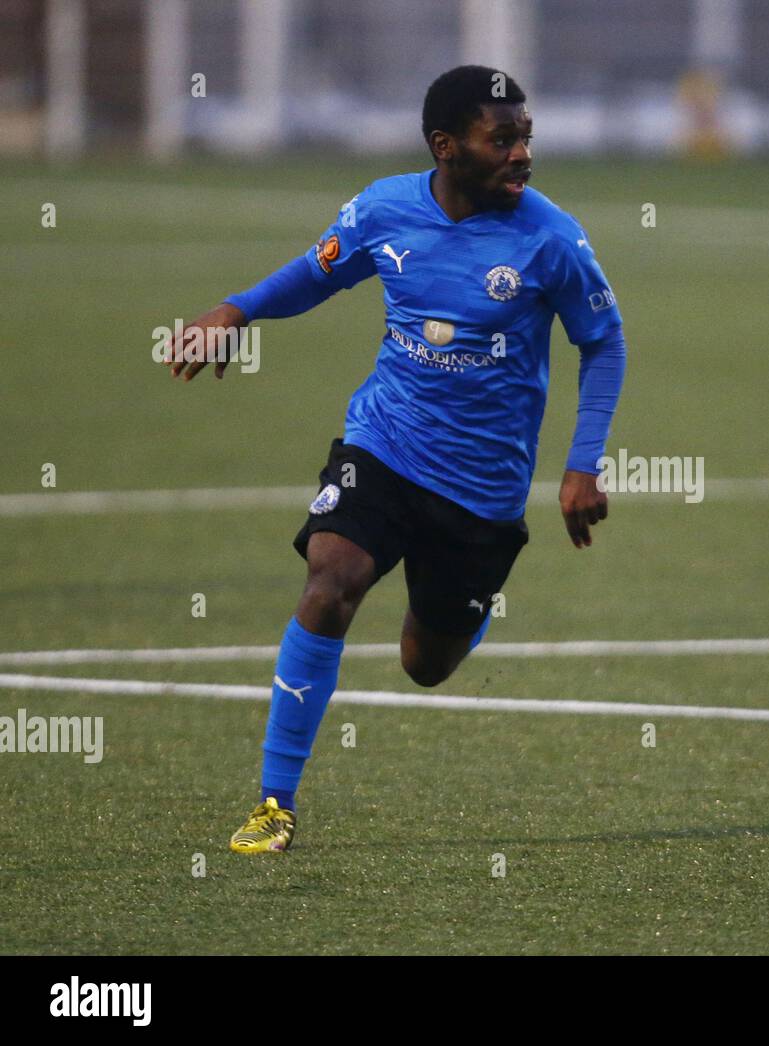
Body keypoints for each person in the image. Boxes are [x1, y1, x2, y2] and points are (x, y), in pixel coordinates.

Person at [165, 66, 626, 853]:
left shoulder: (551, 239)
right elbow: (317, 273)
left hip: (482, 488)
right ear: (445, 148)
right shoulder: (384, 210)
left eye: (526, 139)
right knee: (332, 576)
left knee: (426, 662)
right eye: (502, 139)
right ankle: (275, 804)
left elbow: (603, 340)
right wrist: (238, 308)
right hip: (384, 441)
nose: (521, 155)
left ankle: (459, 617)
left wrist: (583, 465)